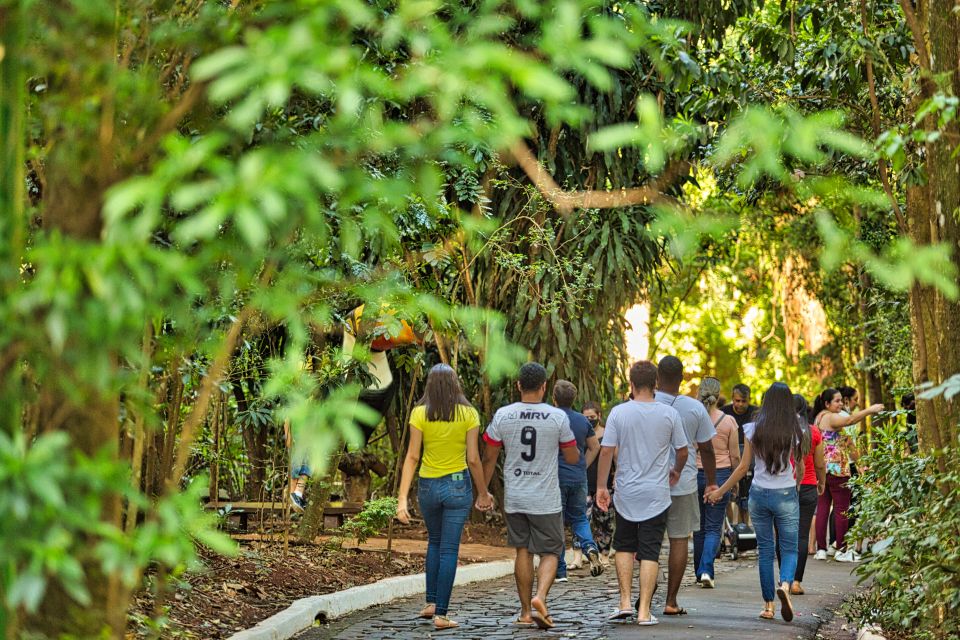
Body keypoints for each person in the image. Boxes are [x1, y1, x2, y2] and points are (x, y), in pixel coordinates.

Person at [481, 362, 579, 630]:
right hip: (545, 498)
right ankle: (540, 597)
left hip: (515, 496)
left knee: (522, 551)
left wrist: (483, 491)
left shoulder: (503, 415)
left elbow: (489, 456)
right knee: (551, 550)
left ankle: (525, 612)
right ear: (545, 387)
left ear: (519, 386)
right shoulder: (558, 417)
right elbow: (572, 457)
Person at [395, 364, 493, 630]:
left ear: (429, 384)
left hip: (427, 486)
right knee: (449, 549)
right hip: (458, 485)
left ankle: (430, 603)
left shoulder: (419, 413)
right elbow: (473, 458)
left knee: (435, 543)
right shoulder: (469, 413)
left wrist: (402, 498)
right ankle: (442, 615)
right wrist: (483, 492)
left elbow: (412, 456)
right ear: (455, 384)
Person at [596, 360, 688, 627]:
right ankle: (644, 611)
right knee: (650, 551)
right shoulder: (669, 414)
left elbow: (605, 450)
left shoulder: (618, 413)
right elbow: (683, 450)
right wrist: (676, 470)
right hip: (657, 495)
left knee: (624, 545)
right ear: (656, 384)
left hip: (626, 492)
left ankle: (625, 602)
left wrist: (602, 486)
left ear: (631, 384)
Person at [706, 382, 806, 622]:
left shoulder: (752, 429)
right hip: (785, 493)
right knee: (789, 547)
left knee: (765, 551)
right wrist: (797, 484)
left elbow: (742, 467)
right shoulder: (796, 431)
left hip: (759, 494)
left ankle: (769, 605)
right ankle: (785, 584)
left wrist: (720, 491)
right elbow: (800, 466)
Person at [655, 356, 717, 617]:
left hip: (651, 483)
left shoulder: (644, 404)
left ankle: (645, 595)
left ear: (657, 378)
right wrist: (712, 482)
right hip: (685, 482)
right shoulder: (695, 408)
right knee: (679, 540)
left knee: (649, 541)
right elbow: (707, 449)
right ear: (682, 378)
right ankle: (670, 600)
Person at [812, 388, 882, 562]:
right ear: (827, 403)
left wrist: (860, 464)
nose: (841, 404)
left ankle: (822, 549)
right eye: (837, 401)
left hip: (823, 468)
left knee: (823, 506)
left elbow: (848, 443)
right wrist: (870, 410)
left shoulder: (820, 417)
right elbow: (850, 419)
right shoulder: (831, 417)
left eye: (841, 401)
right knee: (842, 509)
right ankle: (841, 550)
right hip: (837, 469)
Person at [552, 380, 604, 581]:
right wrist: (583, 465)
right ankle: (590, 547)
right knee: (580, 518)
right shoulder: (583, 421)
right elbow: (595, 447)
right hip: (578, 477)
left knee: (556, 522)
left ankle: (560, 570)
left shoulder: (552, 417)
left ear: (554, 399)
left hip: (556, 478)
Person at [693, 377, 740, 588]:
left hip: (695, 475)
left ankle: (698, 571)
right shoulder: (728, 421)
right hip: (720, 476)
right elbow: (736, 456)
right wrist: (735, 481)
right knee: (714, 527)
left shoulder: (692, 419)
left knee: (699, 527)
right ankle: (706, 570)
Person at [787, 394, 825, 595]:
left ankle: (784, 578)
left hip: (784, 486)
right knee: (802, 535)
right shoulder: (813, 432)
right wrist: (822, 482)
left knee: (785, 534)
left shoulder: (782, 431)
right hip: (809, 486)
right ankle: (795, 581)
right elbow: (819, 463)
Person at [722, 383, 758, 525]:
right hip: (728, 457)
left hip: (750, 459)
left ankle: (743, 530)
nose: (741, 404)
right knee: (727, 499)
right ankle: (729, 530)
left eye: (744, 401)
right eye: (737, 401)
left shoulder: (756, 413)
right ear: (732, 398)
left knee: (745, 501)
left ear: (749, 400)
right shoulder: (724, 412)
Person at [583, 401, 615, 560]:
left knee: (605, 522)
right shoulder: (581, 434)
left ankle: (604, 555)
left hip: (605, 483)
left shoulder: (608, 433)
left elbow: (614, 455)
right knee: (584, 519)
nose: (590, 420)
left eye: (592, 417)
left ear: (599, 416)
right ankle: (585, 554)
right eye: (586, 417)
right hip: (585, 483)